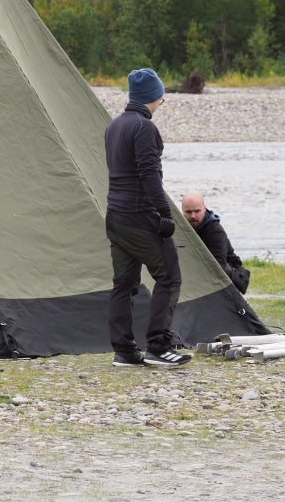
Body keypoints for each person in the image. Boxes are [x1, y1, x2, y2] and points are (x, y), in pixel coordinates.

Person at [104, 68, 191, 367]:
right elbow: (149, 174)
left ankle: (124, 350)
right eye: (161, 99)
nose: (160, 104)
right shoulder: (144, 127)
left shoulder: (114, 126)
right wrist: (165, 214)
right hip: (139, 216)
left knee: (124, 284)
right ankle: (158, 345)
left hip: (114, 216)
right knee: (169, 276)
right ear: (153, 97)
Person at [181, 191, 250, 293]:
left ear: (205, 209)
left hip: (226, 272)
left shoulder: (215, 231)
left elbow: (218, 266)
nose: (193, 216)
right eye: (188, 212)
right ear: (182, 211)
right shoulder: (180, 228)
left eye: (197, 211)